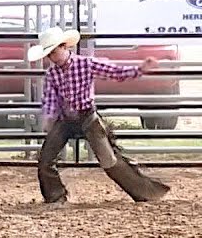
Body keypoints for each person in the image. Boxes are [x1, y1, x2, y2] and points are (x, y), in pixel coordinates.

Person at [29, 27, 171, 203]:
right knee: (45, 160)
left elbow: (115, 72)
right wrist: (49, 116)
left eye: (53, 52)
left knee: (109, 160)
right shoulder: (52, 74)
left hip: (87, 116)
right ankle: (56, 197)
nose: (51, 57)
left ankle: (147, 193)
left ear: (64, 46)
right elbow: (50, 99)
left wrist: (139, 69)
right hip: (65, 120)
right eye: (48, 54)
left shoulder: (86, 64)